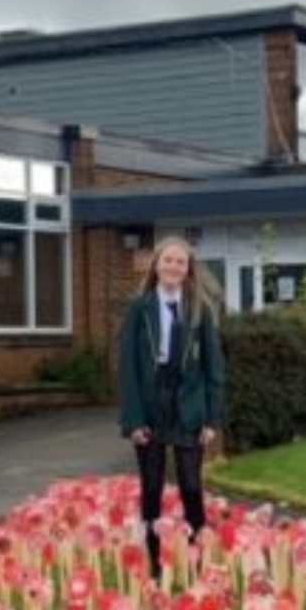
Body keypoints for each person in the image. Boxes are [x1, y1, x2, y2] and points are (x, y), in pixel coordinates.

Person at [117, 236, 226, 581]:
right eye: (168, 260)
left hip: (188, 403)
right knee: (151, 486)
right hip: (151, 403)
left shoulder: (199, 308)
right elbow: (127, 367)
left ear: (188, 269)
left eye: (181, 262)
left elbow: (214, 367)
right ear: (157, 265)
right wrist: (133, 419)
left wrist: (211, 416)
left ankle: (199, 561)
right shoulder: (139, 308)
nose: (174, 267)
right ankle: (153, 564)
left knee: (191, 485)